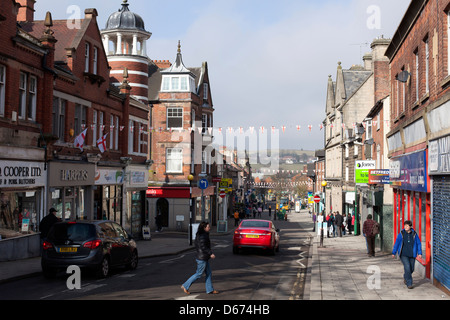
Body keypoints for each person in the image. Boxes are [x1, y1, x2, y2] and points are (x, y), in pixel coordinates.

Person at [181, 222, 219, 295]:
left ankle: (210, 290)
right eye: (208, 227)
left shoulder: (201, 234)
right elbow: (203, 247)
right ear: (204, 228)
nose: (209, 228)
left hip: (203, 257)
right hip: (202, 258)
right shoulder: (203, 236)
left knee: (208, 273)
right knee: (198, 274)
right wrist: (210, 253)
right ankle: (185, 285)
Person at [392, 220, 423, 289]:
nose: (405, 227)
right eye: (405, 225)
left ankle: (406, 277)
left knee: (411, 269)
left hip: (412, 254)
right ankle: (409, 283)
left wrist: (420, 253)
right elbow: (397, 243)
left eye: (407, 226)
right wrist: (394, 252)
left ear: (410, 226)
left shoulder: (414, 234)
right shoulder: (401, 234)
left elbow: (418, 243)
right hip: (403, 254)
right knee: (407, 267)